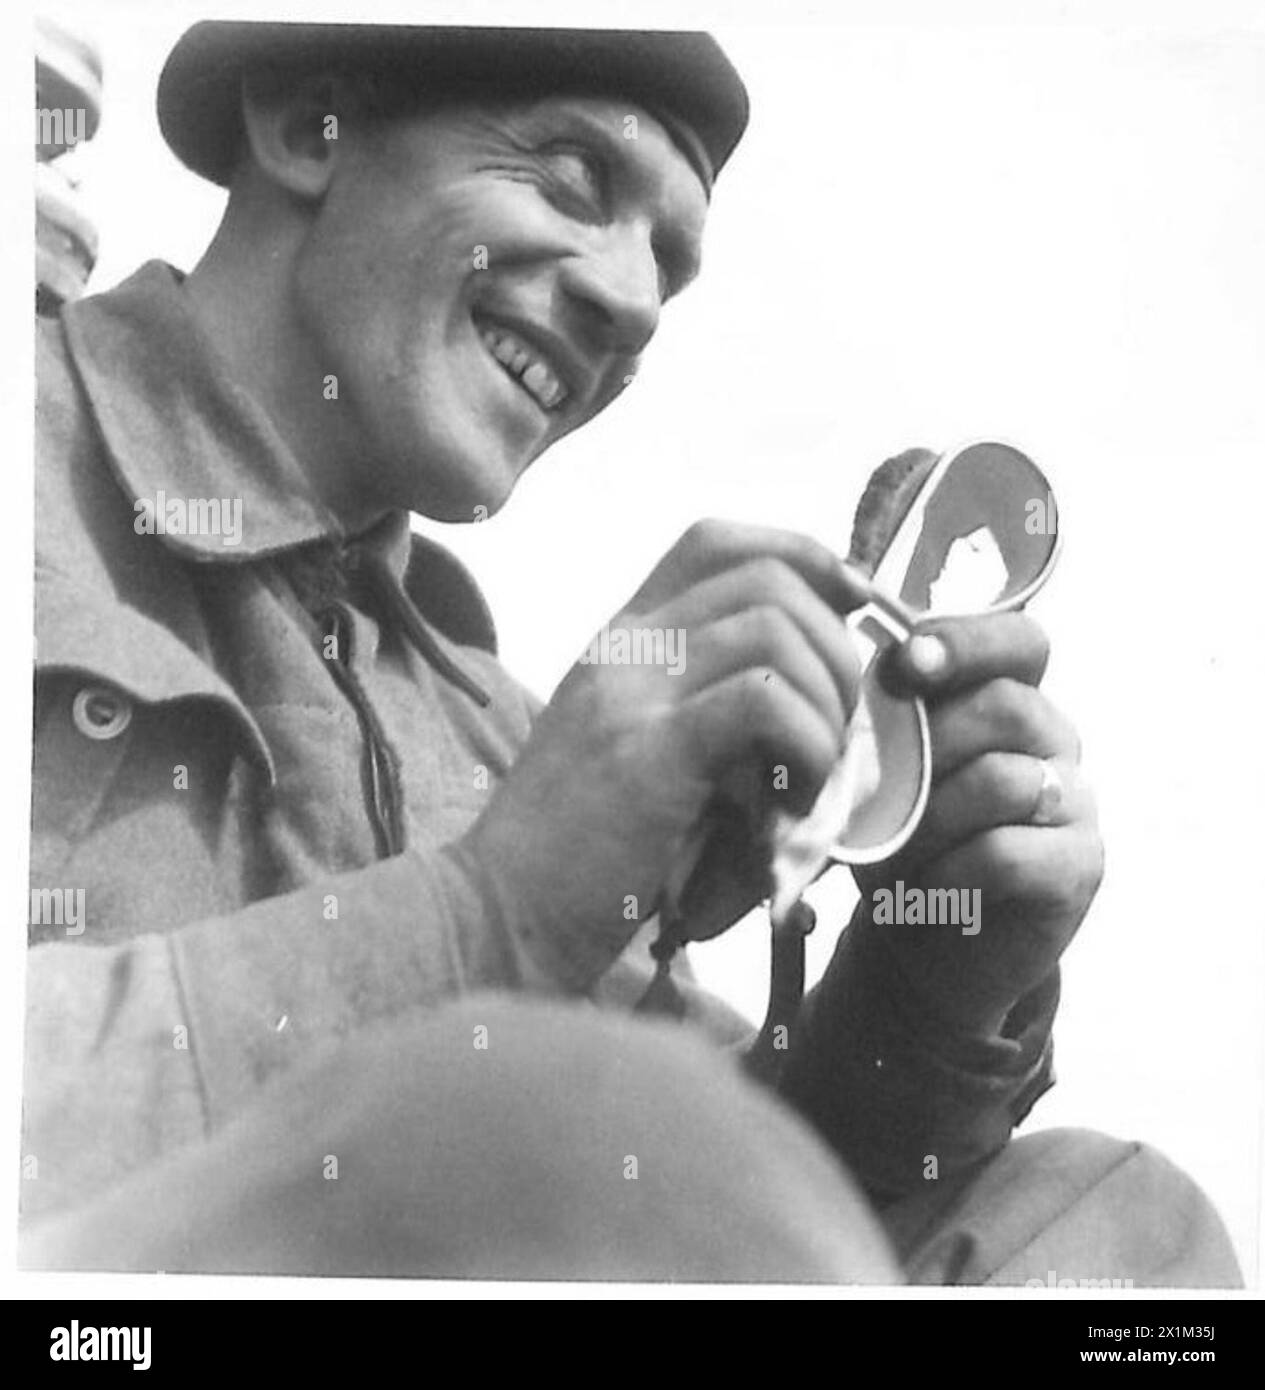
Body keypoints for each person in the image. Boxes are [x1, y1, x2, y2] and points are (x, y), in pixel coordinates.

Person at [22, 20, 1240, 1284]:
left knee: (1115, 1226)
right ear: (305, 128)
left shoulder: (495, 728)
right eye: (570, 179)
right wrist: (487, 911)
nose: (632, 302)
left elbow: (678, 1213)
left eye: (669, 259)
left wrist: (922, 988)